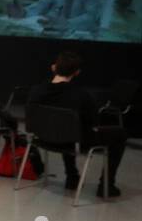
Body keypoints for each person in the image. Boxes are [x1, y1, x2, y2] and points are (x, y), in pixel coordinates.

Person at [27, 51, 127, 196]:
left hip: (41, 138)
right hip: (72, 141)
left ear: (53, 68)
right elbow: (93, 122)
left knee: (65, 128)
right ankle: (106, 185)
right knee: (119, 134)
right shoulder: (81, 96)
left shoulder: (36, 91)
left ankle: (72, 176)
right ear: (77, 72)